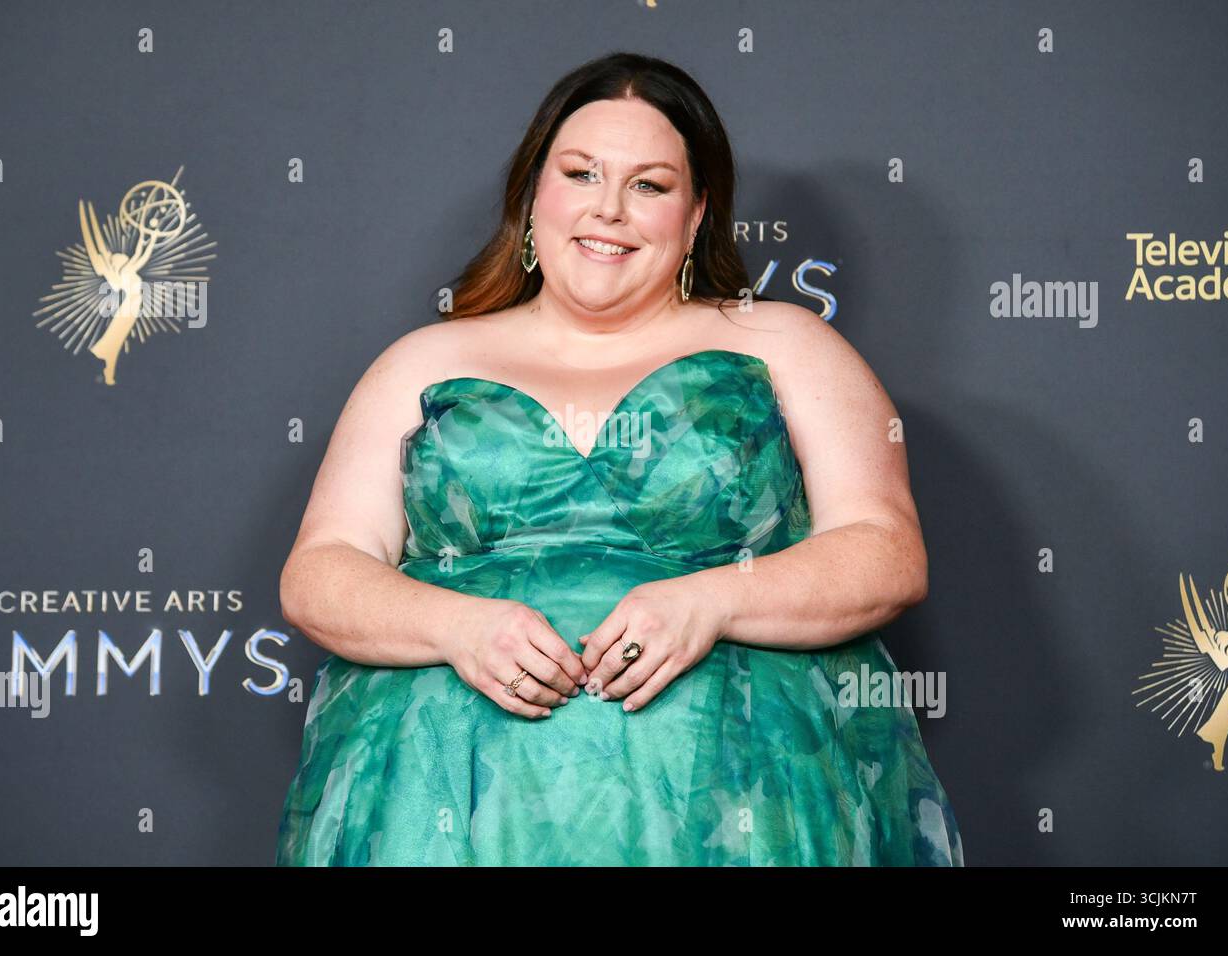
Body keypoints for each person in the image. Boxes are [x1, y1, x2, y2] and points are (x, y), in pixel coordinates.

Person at [275, 51, 964, 866]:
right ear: (534, 194)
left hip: (737, 804)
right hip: (438, 798)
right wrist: (455, 624)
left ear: (698, 212)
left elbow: (885, 552)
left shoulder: (785, 344)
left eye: (650, 185)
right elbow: (321, 569)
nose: (609, 211)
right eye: (581, 174)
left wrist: (713, 602)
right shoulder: (423, 360)